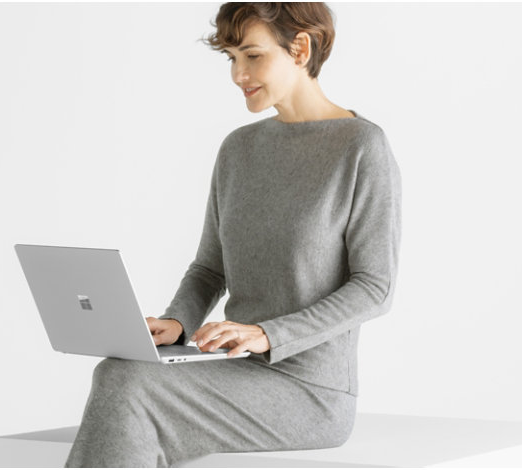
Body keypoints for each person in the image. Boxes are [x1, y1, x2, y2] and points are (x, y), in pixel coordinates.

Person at [64, 2, 401, 467]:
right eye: (231, 58)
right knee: (120, 372)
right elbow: (210, 267)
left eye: (252, 56)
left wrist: (268, 333)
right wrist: (178, 321)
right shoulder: (238, 149)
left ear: (300, 48)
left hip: (311, 391)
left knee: (125, 385)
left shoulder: (362, 147)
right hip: (233, 371)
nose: (238, 73)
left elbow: (374, 287)